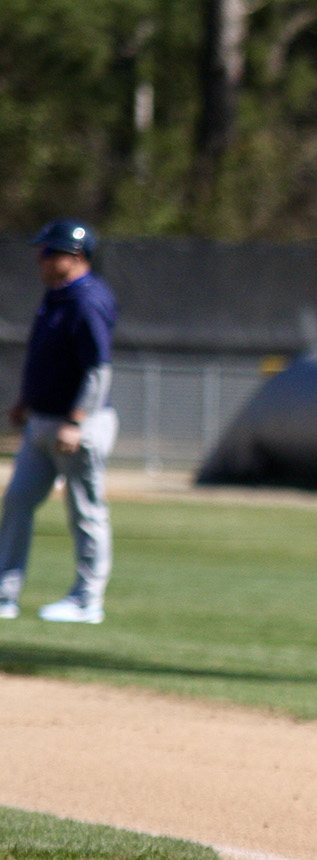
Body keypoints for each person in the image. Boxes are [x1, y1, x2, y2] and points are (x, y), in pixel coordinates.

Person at [0, 219, 118, 624]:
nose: (41, 258)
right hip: (42, 421)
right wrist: (25, 401)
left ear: (76, 257)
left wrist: (76, 420)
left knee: (85, 512)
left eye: (50, 252)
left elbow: (98, 370)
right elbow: (47, 360)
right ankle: (4, 594)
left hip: (76, 424)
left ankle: (87, 601)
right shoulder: (56, 296)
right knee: (17, 503)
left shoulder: (88, 300)